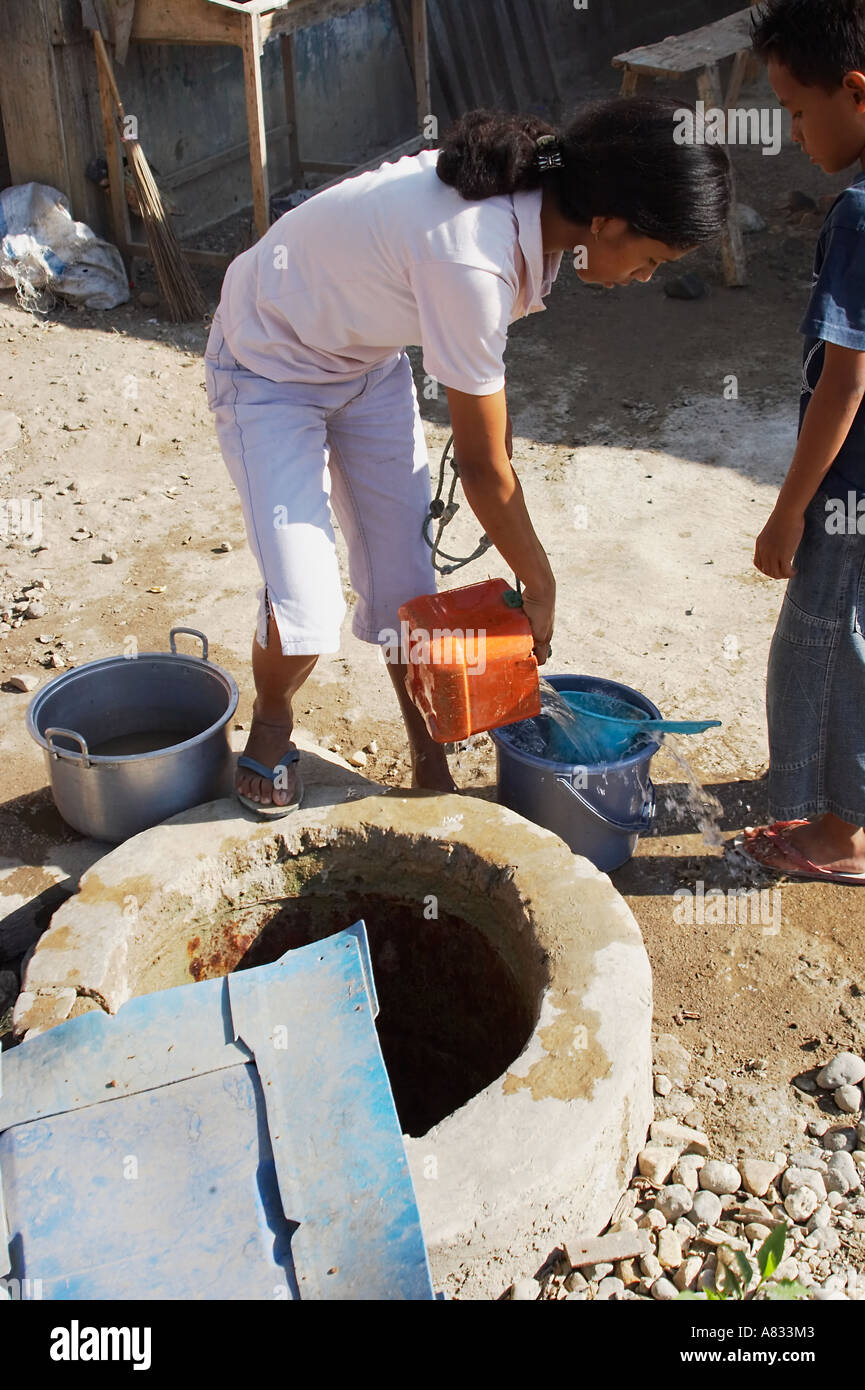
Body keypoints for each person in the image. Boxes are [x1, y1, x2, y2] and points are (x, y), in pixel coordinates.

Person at [204, 98, 732, 817]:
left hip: (365, 361)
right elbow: (481, 468)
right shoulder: (471, 254)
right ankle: (270, 720)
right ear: (606, 221)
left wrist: (516, 530)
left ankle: (428, 759)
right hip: (266, 363)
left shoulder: (539, 200)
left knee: (405, 587)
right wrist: (539, 581)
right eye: (650, 260)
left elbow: (488, 427)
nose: (643, 278)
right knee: (307, 610)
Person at [740, 0, 865, 882]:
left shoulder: (856, 215)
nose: (790, 134)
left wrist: (787, 514)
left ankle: (839, 833)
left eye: (794, 109)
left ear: (854, 93)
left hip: (851, 486)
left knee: (823, 640)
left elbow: (843, 381)